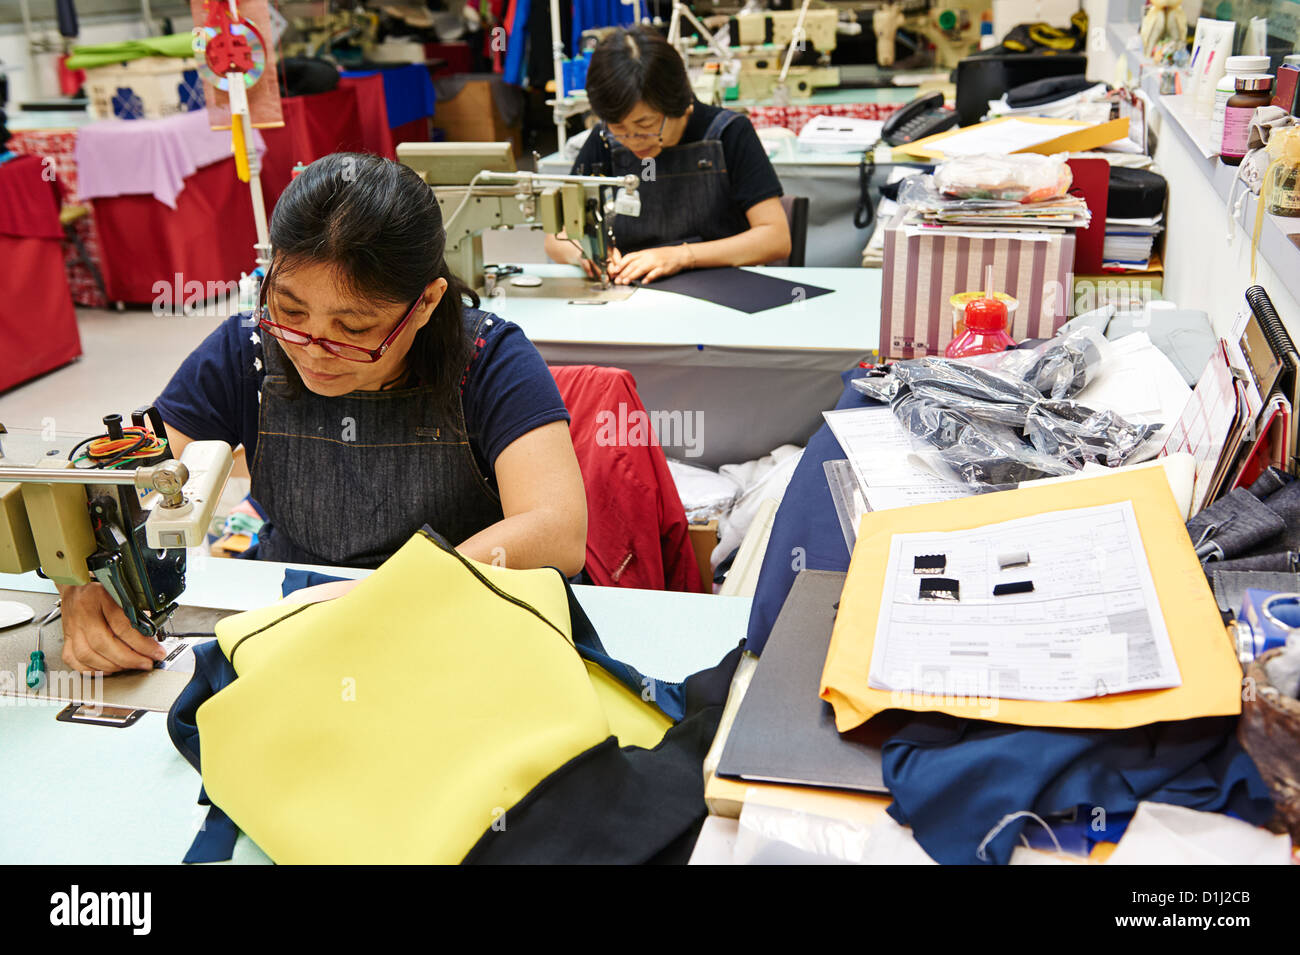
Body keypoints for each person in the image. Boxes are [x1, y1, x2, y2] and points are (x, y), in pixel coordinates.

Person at [58, 153, 588, 674]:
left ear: (426, 303)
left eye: (354, 329)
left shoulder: (489, 359)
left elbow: (558, 531)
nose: (312, 349)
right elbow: (113, 486)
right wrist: (83, 584)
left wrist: (387, 594)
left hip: (457, 617)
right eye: (289, 311)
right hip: (298, 612)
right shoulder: (245, 350)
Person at [544, 24, 791, 285]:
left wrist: (682, 256)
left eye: (645, 126)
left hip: (720, 289)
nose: (631, 141)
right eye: (619, 128)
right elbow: (556, 238)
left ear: (680, 104)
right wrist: (585, 254)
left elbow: (774, 238)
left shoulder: (728, 134)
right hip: (631, 292)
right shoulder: (604, 140)